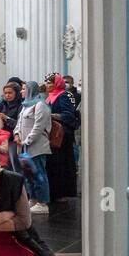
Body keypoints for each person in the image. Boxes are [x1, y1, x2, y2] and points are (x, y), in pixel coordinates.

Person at [13, 79, 52, 214]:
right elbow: (19, 124)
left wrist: (26, 141)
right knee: (29, 175)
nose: (22, 91)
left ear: (30, 90)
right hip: (24, 148)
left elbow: (39, 127)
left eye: (24, 89)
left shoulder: (40, 105)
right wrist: (17, 135)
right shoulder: (25, 106)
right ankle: (33, 198)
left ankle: (43, 202)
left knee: (39, 174)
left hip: (37, 147)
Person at [44, 72, 81, 203]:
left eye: (50, 82)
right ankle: (54, 192)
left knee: (62, 164)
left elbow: (68, 115)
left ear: (56, 84)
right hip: (51, 134)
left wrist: (50, 115)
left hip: (62, 136)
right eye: (47, 82)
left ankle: (62, 193)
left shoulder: (64, 96)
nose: (47, 85)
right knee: (53, 164)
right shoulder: (49, 97)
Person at [0, 79, 25, 172]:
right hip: (3, 139)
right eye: (5, 93)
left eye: (10, 93)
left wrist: (6, 118)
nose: (7, 95)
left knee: (15, 165)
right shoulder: (3, 105)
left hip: (14, 139)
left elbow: (19, 124)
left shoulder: (21, 105)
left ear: (17, 93)